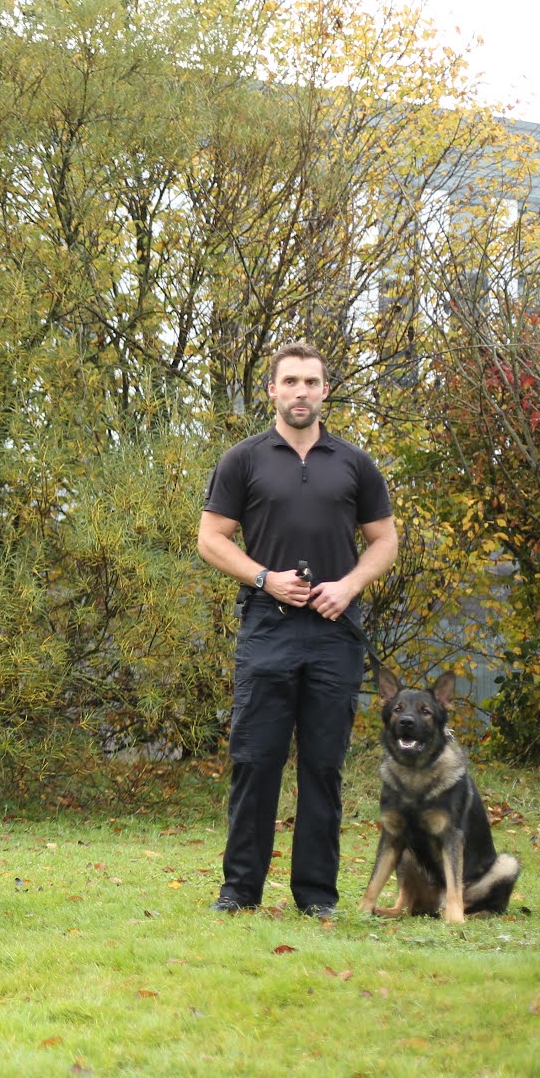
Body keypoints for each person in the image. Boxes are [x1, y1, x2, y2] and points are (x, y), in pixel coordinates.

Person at [198, 340, 398, 920]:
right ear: (272, 391)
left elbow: (383, 540)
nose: (301, 391)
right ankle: (240, 891)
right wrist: (264, 578)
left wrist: (350, 585)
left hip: (335, 634)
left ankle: (316, 896)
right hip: (269, 627)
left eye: (311, 382)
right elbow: (211, 538)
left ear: (325, 390)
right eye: (290, 382)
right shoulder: (244, 460)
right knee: (255, 761)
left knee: (323, 765)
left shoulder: (354, 464)